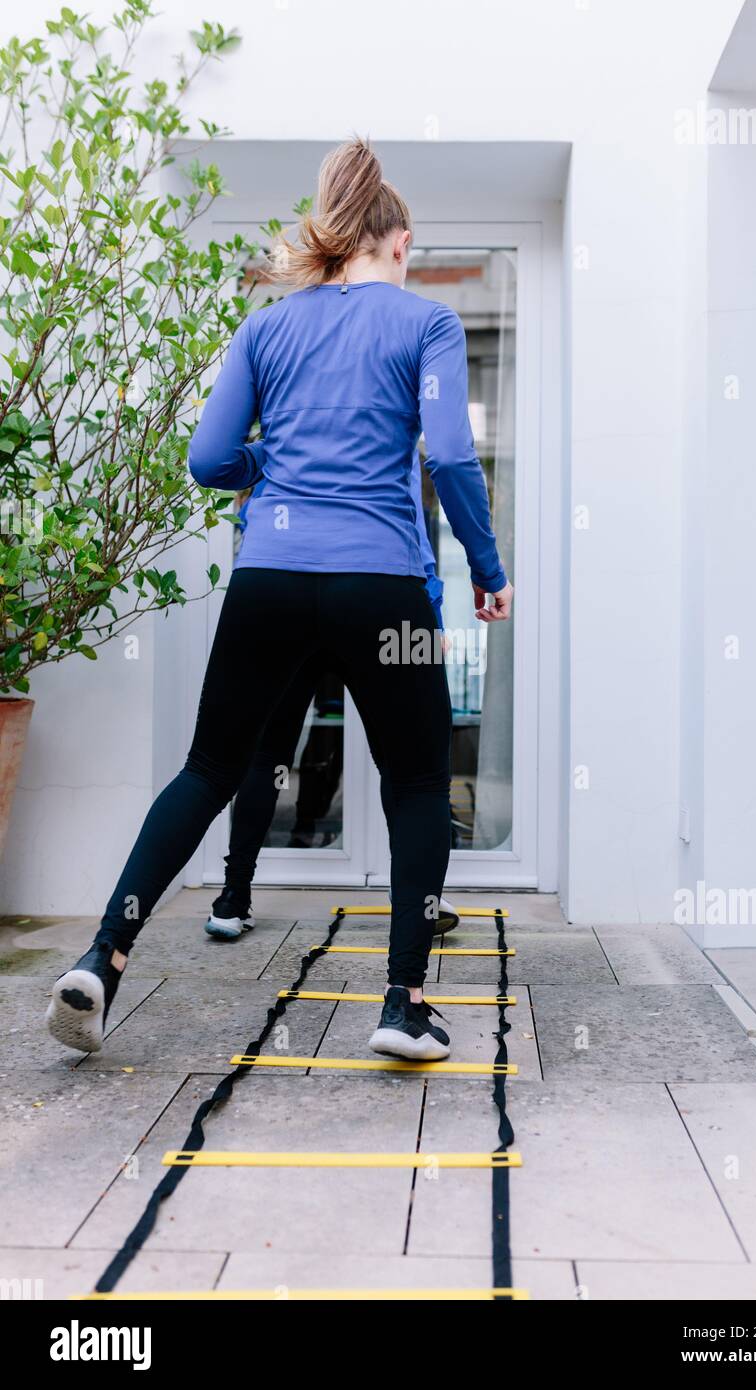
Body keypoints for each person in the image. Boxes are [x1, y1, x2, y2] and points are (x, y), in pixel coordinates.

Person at [46, 136, 512, 1062]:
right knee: (418, 784)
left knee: (208, 769)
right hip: (383, 589)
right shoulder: (427, 327)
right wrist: (489, 571)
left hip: (267, 583)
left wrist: (273, 463)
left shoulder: (266, 327)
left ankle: (104, 956)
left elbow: (210, 461)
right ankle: (402, 1004)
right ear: (400, 242)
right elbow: (452, 456)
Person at [208, 455, 460, 941]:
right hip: (374, 601)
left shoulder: (287, 429)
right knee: (406, 763)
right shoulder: (392, 434)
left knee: (269, 753)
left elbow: (248, 510)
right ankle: (415, 895)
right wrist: (433, 613)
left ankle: (233, 897)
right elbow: (412, 523)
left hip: (288, 600)